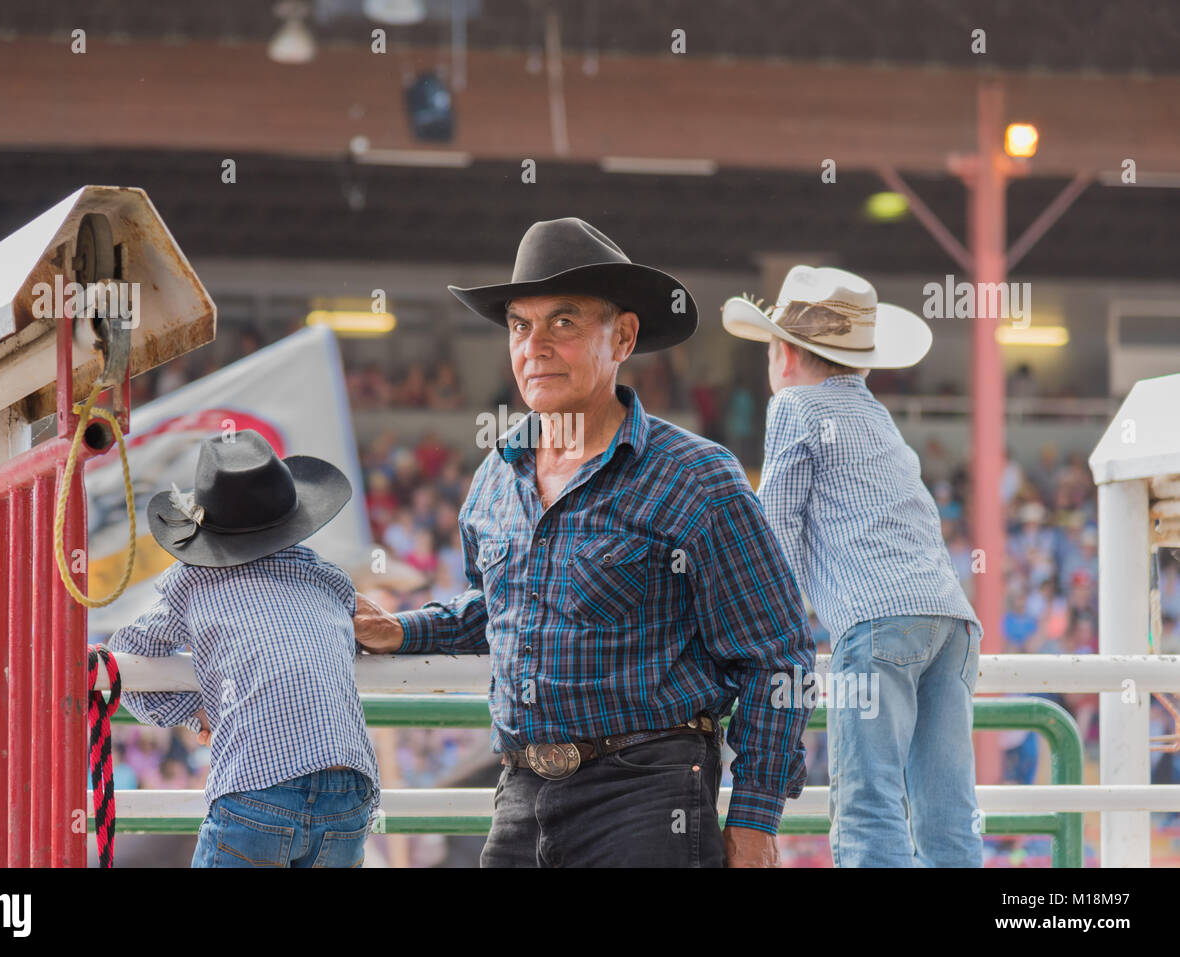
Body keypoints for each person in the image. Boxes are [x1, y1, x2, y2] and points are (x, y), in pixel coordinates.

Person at [354, 217, 815, 867]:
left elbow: (779, 654)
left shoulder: (695, 477)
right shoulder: (496, 476)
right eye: (520, 324)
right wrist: (399, 630)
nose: (534, 345)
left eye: (563, 322)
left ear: (623, 335)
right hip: (518, 795)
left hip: (648, 796)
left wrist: (755, 816)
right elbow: (499, 610)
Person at [723, 265, 983, 867]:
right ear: (862, 363)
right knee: (948, 812)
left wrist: (746, 636)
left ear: (783, 354)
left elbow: (776, 532)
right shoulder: (878, 418)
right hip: (952, 623)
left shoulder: (794, 406)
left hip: (877, 620)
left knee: (869, 804)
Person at [106, 430, 380, 867]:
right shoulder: (329, 581)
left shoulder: (193, 581)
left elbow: (127, 659)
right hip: (348, 785)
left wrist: (199, 711)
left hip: (258, 780)